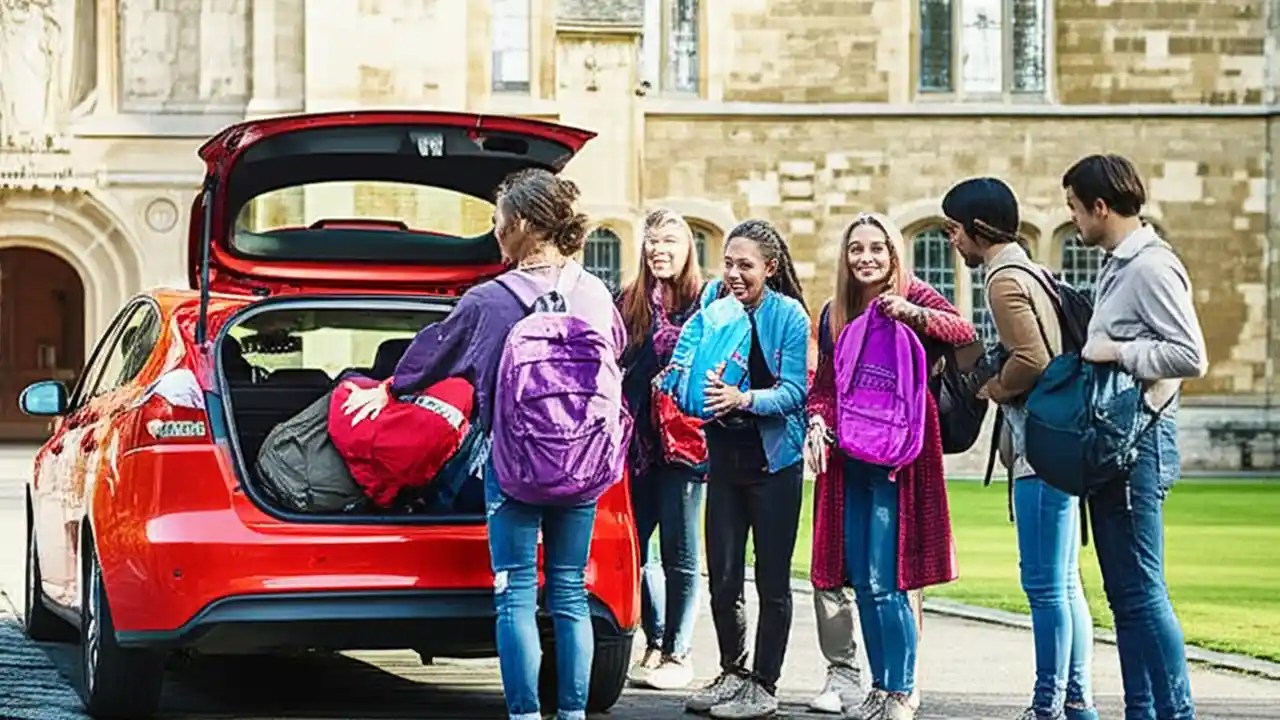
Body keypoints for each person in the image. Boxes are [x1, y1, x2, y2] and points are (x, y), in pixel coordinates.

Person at [341, 168, 626, 720]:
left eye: (498, 221)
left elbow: (432, 355)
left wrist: (389, 388)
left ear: (521, 224)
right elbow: (617, 353)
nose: (495, 232)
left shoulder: (489, 301)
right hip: (584, 466)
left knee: (516, 591)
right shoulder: (594, 293)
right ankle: (571, 715)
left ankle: (523, 716)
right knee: (569, 593)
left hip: (515, 464)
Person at [805, 212, 974, 720]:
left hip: (900, 460)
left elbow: (963, 332)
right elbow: (825, 389)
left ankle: (900, 689)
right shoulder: (836, 311)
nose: (866, 258)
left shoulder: (916, 296)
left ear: (894, 253)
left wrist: (909, 314)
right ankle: (880, 689)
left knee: (890, 578)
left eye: (877, 248)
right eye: (857, 249)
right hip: (851, 459)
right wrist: (816, 422)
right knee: (860, 576)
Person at [943, 177, 1100, 720]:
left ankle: (1046, 704)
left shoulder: (1003, 279)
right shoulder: (1030, 268)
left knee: (1043, 584)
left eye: (954, 230)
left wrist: (988, 388)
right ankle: (1076, 701)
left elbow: (1031, 362)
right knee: (1065, 581)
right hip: (1064, 440)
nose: (952, 242)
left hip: (1041, 447)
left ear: (975, 229)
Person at [1063, 154, 1206, 720]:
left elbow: (1189, 353)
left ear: (1101, 207)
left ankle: (1176, 712)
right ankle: (1141, 711)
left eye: (1075, 208)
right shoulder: (1118, 263)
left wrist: (1116, 351)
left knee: (1143, 590)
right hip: (1112, 443)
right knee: (1123, 596)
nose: (1073, 219)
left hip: (1140, 441)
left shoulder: (1150, 266)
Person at [673, 219, 810, 720]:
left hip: (775, 467)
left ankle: (765, 686)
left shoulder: (789, 315)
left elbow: (795, 392)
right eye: (728, 263)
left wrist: (742, 398)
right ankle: (734, 672)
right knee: (724, 577)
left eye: (745, 265)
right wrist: (681, 384)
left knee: (772, 582)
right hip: (725, 462)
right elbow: (690, 365)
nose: (733, 273)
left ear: (769, 268)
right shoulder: (714, 307)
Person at [617, 209, 707, 690]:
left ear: (687, 246)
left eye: (669, 240)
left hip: (685, 445)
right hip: (636, 446)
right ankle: (653, 642)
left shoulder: (704, 303)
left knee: (682, 551)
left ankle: (679, 650)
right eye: (652, 240)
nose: (659, 249)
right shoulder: (628, 302)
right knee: (638, 548)